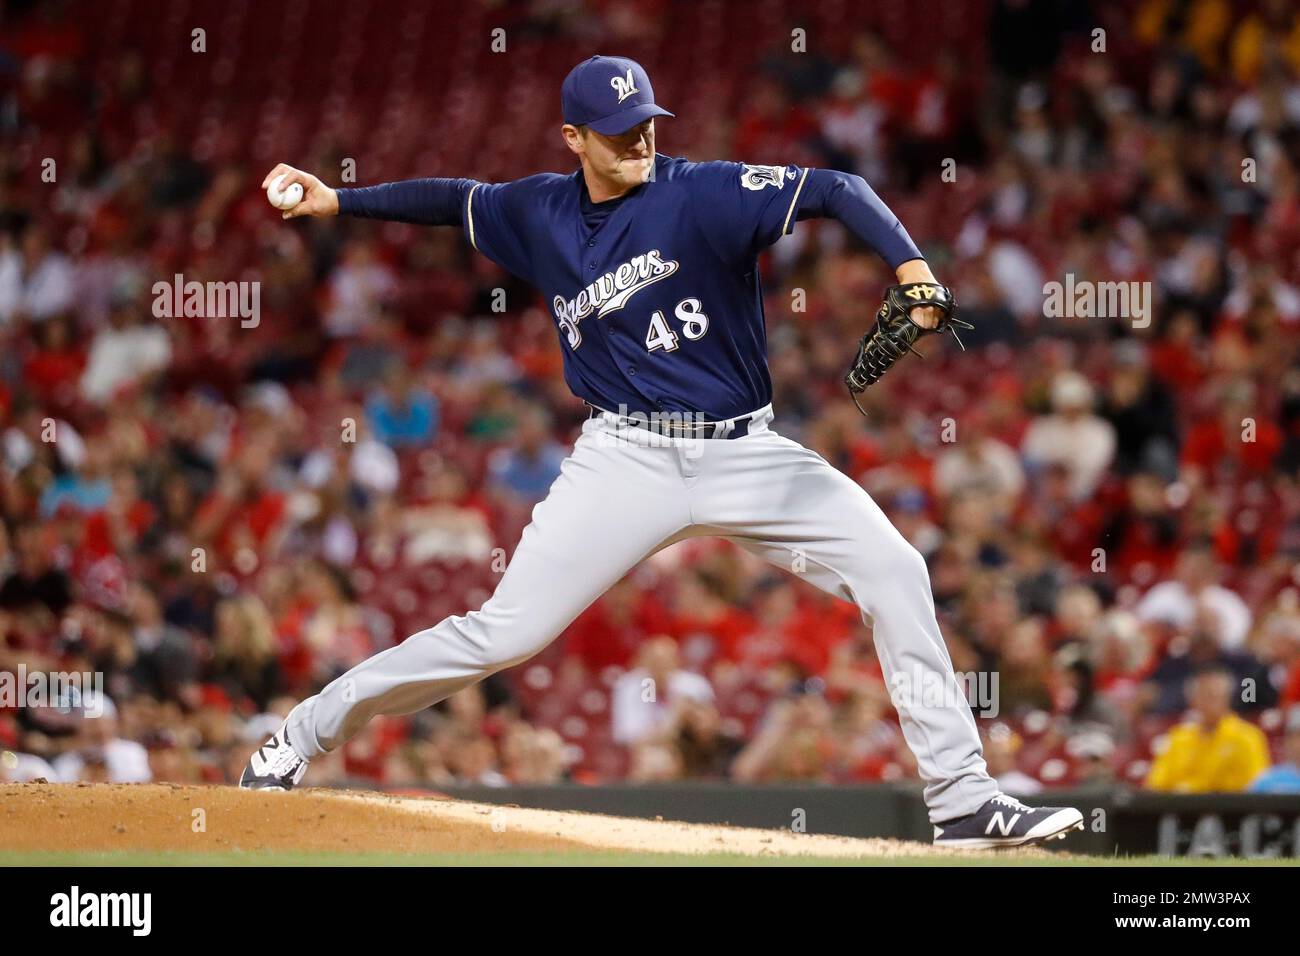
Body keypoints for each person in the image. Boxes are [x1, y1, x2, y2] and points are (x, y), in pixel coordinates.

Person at [240, 55, 1082, 848]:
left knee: (897, 571)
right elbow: (453, 198)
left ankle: (964, 800)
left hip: (746, 454)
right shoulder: (538, 211)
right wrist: (339, 202)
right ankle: (299, 736)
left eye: (645, 122)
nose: (640, 140)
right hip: (624, 460)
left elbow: (837, 186)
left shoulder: (702, 193)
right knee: (503, 636)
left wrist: (910, 265)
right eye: (617, 130)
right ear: (572, 139)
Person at [1145, 667, 1271, 793]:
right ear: (1193, 701)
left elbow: (1256, 786)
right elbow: (1156, 784)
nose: (1209, 703)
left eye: (1215, 696)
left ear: (1227, 698)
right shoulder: (1177, 738)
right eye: (1203, 696)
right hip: (1181, 808)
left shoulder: (1247, 737)